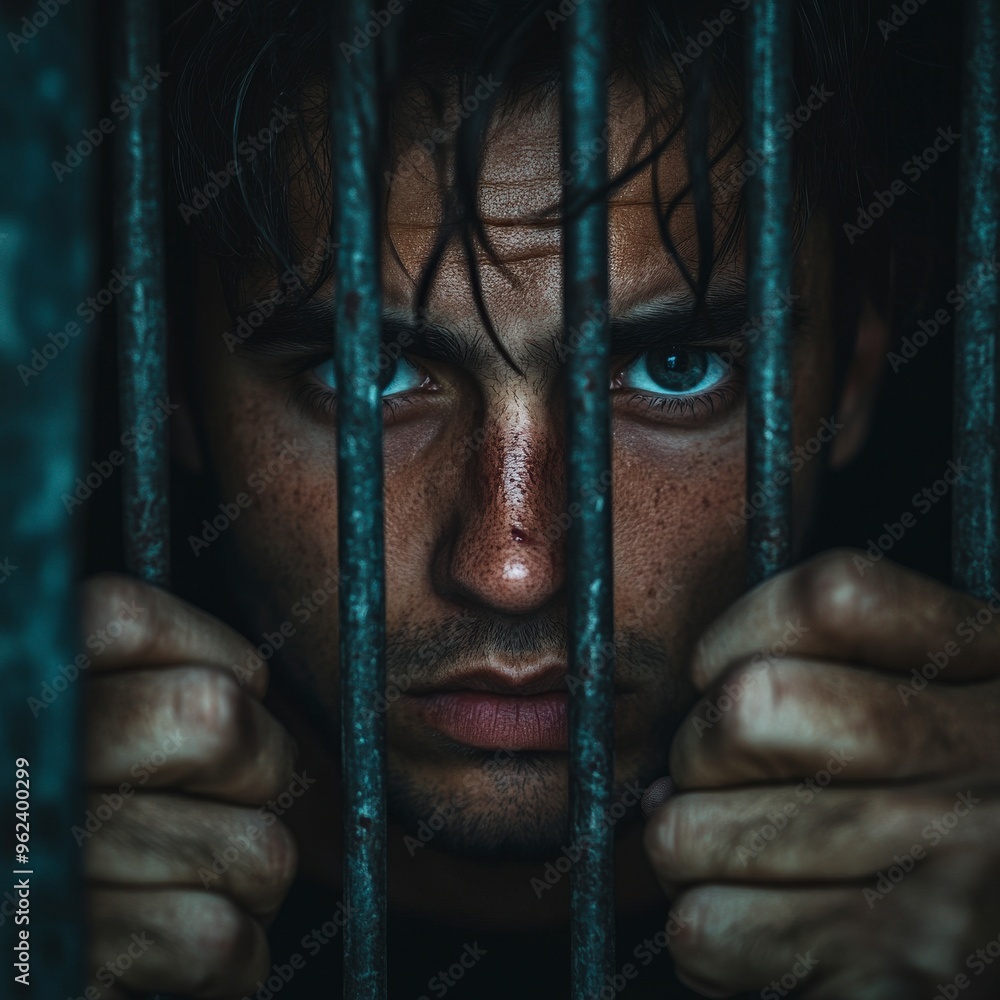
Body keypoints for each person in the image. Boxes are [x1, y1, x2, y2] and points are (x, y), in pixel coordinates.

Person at [78, 1, 1000, 996]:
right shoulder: (29, 847)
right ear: (165, 381)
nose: (513, 568)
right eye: (369, 375)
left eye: (675, 369)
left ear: (855, 374)